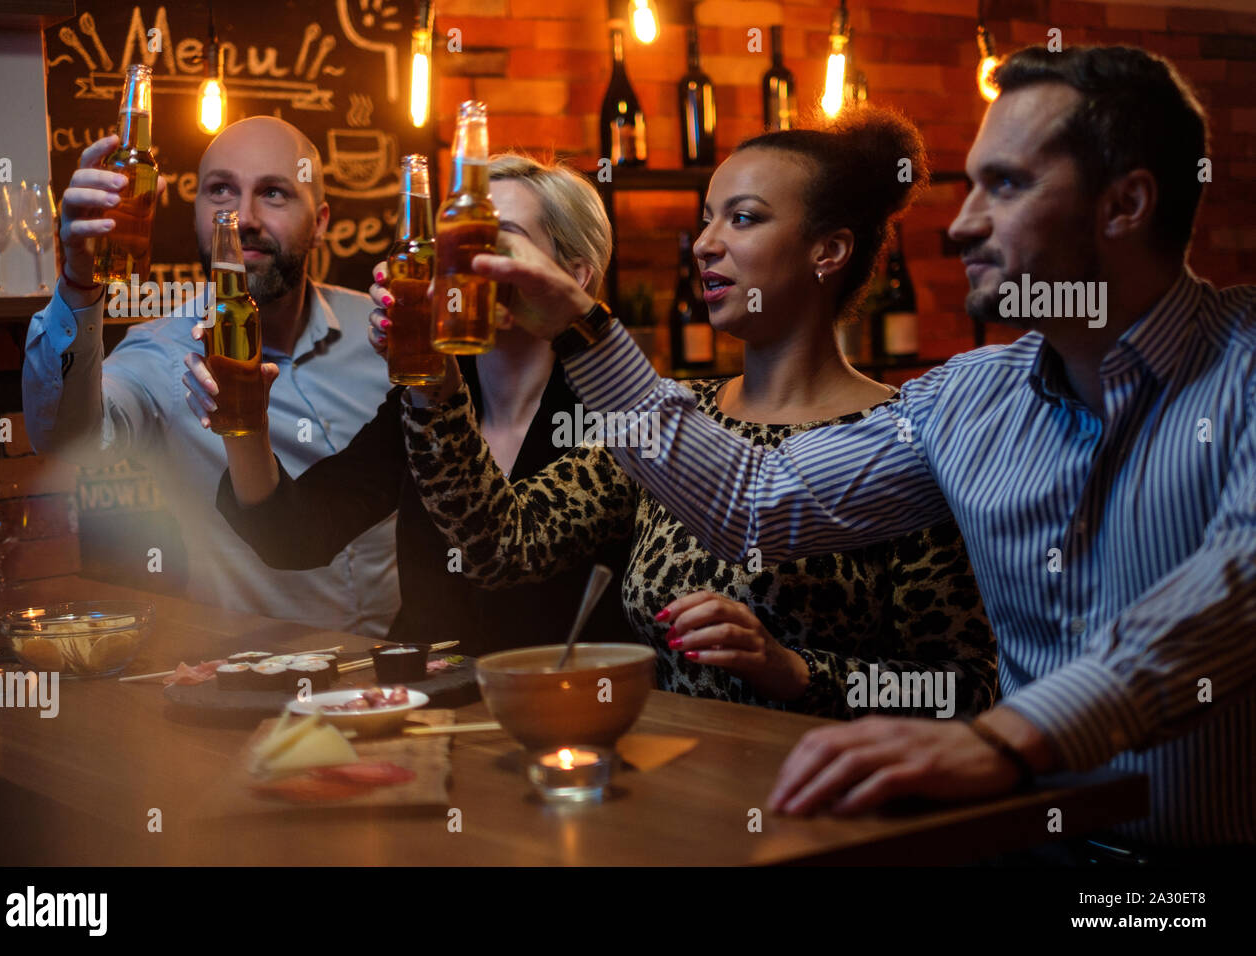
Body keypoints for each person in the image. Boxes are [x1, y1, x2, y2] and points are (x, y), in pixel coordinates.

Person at [460, 46, 1256, 855]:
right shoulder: (967, 395)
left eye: (1006, 185)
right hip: (1018, 847)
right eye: (971, 182)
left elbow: (1235, 586)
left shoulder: (1246, 366)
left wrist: (1007, 736)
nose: (961, 222)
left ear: (1125, 204)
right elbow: (756, 500)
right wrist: (584, 326)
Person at [397, 112, 996, 717]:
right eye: (706, 217)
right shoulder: (682, 419)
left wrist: (795, 671)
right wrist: (432, 377)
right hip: (674, 781)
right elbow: (502, 544)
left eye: (743, 217)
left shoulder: (896, 444)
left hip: (821, 789)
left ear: (830, 250)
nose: (707, 242)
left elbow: (963, 690)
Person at [184, 154, 631, 655]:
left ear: (576, 278)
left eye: (498, 241)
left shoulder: (616, 415)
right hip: (426, 708)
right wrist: (246, 422)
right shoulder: (417, 402)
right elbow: (293, 537)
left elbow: (500, 546)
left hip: (564, 706)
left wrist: (432, 379)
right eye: (458, 243)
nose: (467, 262)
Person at [22, 117, 399, 637]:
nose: (243, 218)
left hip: (400, 670)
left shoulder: (386, 333)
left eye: (273, 192)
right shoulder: (161, 353)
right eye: (220, 190)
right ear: (196, 211)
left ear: (321, 220)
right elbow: (68, 436)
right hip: (246, 679)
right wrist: (78, 286)